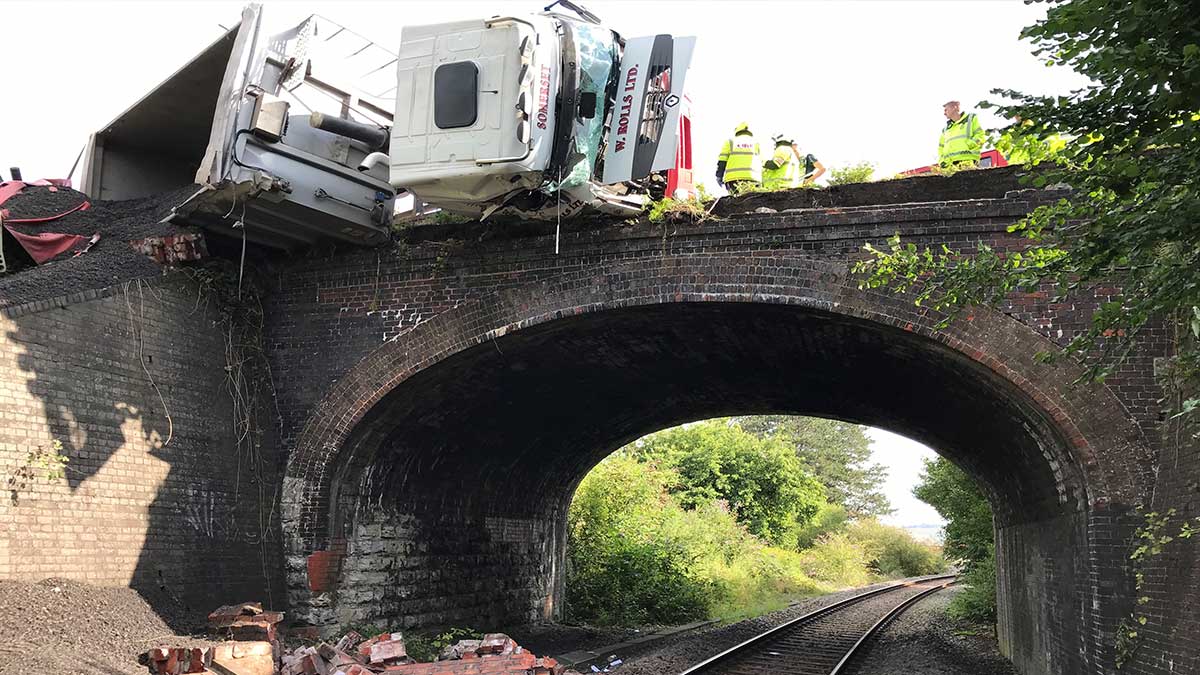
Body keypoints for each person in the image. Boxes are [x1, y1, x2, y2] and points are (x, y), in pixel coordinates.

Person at [762, 136, 827, 189]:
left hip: (806, 187)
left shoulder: (808, 157)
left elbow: (822, 169)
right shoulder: (793, 161)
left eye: (795, 150)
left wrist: (810, 179)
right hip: (796, 187)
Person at [716, 122, 762, 192]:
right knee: (753, 201)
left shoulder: (730, 142)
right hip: (754, 179)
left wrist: (719, 176)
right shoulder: (756, 143)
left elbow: (722, 160)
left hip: (733, 179)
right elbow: (762, 162)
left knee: (736, 201)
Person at [938, 100, 986, 168]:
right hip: (951, 165)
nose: (944, 113)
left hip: (968, 161)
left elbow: (980, 136)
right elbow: (941, 147)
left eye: (946, 110)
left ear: (955, 107)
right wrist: (942, 161)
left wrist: (970, 145)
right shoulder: (946, 129)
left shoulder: (971, 119)